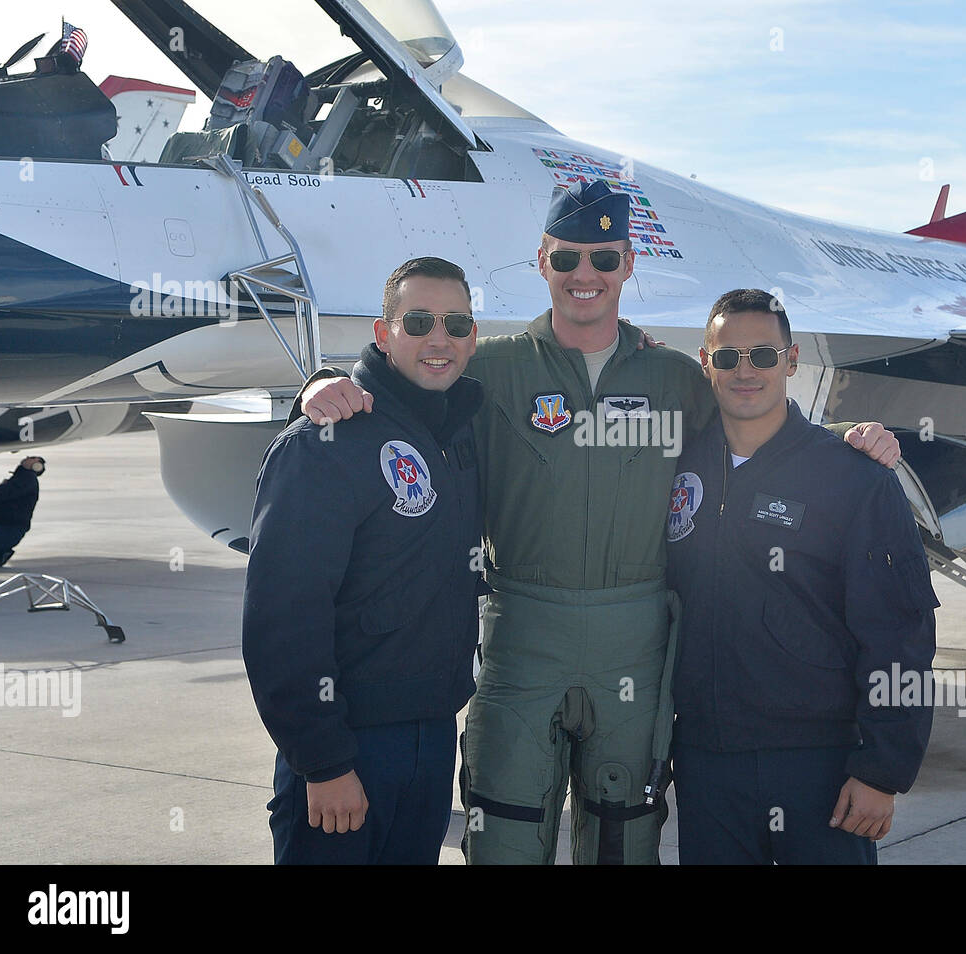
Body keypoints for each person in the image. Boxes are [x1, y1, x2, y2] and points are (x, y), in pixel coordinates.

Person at [297, 179, 900, 864]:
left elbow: (757, 414)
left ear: (628, 264)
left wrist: (850, 436)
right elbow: (401, 391)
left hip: (635, 645)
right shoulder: (488, 369)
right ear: (543, 261)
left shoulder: (674, 378)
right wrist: (318, 385)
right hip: (523, 637)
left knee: (625, 829)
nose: (586, 275)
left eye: (604, 259)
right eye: (568, 259)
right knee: (505, 827)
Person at [665, 289, 940, 865]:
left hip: (819, 768)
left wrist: (882, 771)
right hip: (708, 764)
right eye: (727, 356)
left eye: (763, 356)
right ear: (704, 360)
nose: (746, 371)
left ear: (790, 362)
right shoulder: (677, 468)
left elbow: (899, 631)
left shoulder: (854, 478)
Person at [242, 256, 484, 864]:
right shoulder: (327, 441)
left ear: (473, 338)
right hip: (349, 747)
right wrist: (322, 762)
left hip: (431, 739)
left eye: (456, 324)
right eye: (419, 320)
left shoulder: (458, 436)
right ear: (383, 334)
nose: (439, 338)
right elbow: (283, 617)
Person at [0, 455, 45, 568]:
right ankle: (1, 553)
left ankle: (1, 551)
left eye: (32, 458)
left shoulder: (26, 480)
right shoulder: (19, 479)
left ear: (37, 464)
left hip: (11, 530)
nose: (27, 457)